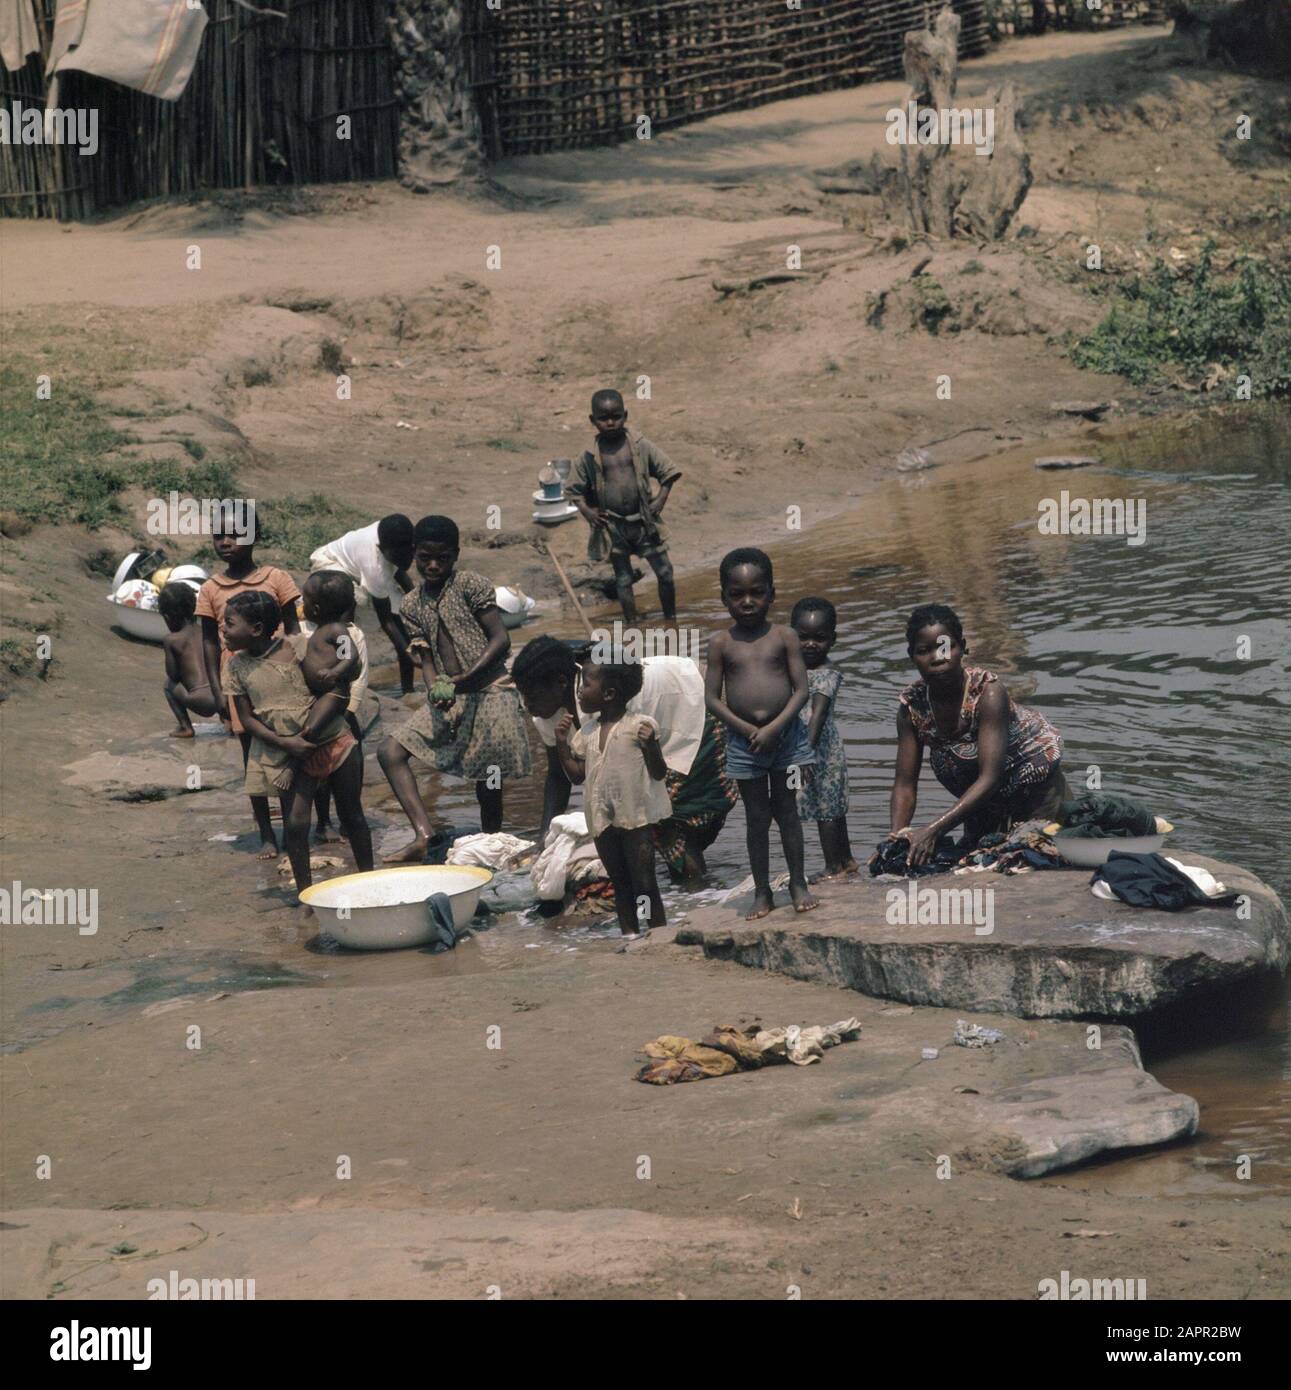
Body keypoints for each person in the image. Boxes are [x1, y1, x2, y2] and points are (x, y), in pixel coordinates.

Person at [513, 636, 738, 883]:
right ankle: (691, 888)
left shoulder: (603, 697)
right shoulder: (547, 714)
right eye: (523, 697)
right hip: (657, 726)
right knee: (665, 823)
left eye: (532, 697)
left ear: (561, 683)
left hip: (692, 700)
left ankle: (695, 894)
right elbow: (559, 776)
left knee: (666, 816)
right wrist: (543, 839)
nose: (527, 705)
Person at [379, 515, 531, 859]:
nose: (433, 566)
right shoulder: (412, 604)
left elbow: (500, 639)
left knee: (488, 778)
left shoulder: (470, 585)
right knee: (390, 751)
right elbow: (425, 654)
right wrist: (435, 688)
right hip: (452, 694)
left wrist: (467, 675)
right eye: (425, 559)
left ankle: (492, 843)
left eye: (442, 559)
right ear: (414, 554)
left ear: (456, 555)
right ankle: (424, 835)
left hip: (493, 688)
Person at [884, 602, 1068, 867]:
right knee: (976, 862)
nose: (937, 657)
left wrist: (934, 830)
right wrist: (896, 839)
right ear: (911, 655)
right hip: (980, 800)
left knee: (1035, 860)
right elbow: (904, 785)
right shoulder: (912, 707)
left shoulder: (988, 693)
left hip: (1034, 790)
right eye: (924, 651)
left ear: (963, 647)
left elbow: (990, 777)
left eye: (946, 647)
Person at [220, 590, 372, 899]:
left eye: (229, 623)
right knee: (296, 824)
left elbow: (335, 686)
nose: (222, 628)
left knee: (352, 815)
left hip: (331, 739)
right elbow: (247, 719)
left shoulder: (297, 648)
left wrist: (306, 736)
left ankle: (370, 879)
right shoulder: (235, 667)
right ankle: (307, 895)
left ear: (257, 629)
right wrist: (284, 743)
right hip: (286, 752)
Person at [704, 547, 817, 919]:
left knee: (787, 811)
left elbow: (801, 690)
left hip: (785, 738)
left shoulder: (785, 637)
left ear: (772, 593)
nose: (748, 601)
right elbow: (712, 699)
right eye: (737, 594)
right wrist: (749, 729)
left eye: (757, 592)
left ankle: (798, 883)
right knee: (755, 816)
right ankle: (763, 891)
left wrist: (773, 727)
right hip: (743, 741)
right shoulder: (721, 643)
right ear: (724, 597)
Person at [195, 515, 300, 858]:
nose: (225, 541)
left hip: (281, 680)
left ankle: (296, 828)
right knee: (252, 760)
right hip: (239, 684)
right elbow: (209, 642)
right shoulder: (210, 588)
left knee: (292, 754)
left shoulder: (276, 578)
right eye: (218, 535)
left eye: (234, 534)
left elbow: (295, 630)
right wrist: (216, 690)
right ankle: (267, 833)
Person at [552, 658, 669, 939]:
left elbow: (659, 771)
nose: (579, 692)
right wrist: (561, 746)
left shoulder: (640, 726)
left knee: (644, 882)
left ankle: (658, 935)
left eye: (586, 685)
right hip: (602, 820)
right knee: (620, 882)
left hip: (635, 818)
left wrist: (651, 745)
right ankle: (630, 936)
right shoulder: (587, 732)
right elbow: (578, 775)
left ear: (608, 694)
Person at [568, 389, 681, 624]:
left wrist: (660, 499)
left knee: (665, 572)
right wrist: (588, 512)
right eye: (603, 418)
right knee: (623, 578)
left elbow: (668, 472)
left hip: (644, 522)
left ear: (625, 415)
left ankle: (672, 620)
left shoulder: (640, 446)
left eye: (616, 416)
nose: (610, 423)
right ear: (593, 420)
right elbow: (573, 490)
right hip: (612, 526)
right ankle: (632, 623)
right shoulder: (589, 456)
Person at [265, 571, 363, 794]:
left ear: (316, 609)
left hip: (334, 693)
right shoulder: (321, 630)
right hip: (321, 693)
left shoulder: (337, 629)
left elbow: (351, 655)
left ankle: (292, 765)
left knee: (311, 728)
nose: (301, 604)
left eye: (305, 600)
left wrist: (334, 672)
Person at [308, 514, 417, 695]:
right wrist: (409, 652)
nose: (406, 559)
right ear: (381, 549)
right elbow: (387, 621)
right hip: (331, 564)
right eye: (399, 556)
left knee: (402, 615)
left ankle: (408, 689)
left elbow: (401, 575)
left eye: (409, 554)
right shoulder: (375, 565)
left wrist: (417, 605)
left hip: (362, 565)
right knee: (347, 617)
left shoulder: (395, 537)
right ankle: (343, 675)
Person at [791, 596, 857, 878]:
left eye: (819, 638)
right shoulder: (797, 668)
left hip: (819, 752)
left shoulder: (826, 674)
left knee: (827, 813)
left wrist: (804, 753)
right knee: (831, 810)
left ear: (833, 639)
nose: (810, 644)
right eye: (803, 637)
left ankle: (834, 867)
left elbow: (816, 715)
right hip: (810, 748)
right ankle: (847, 861)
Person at [159, 582, 218, 737]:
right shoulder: (208, 633)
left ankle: (186, 727)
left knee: (168, 685)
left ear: (167, 617)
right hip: (221, 697)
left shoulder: (172, 640)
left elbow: (173, 675)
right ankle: (230, 722)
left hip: (199, 700)